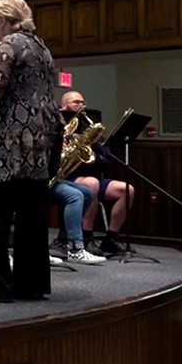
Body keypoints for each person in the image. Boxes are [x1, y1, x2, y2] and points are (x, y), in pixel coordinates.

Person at [0, 0, 63, 303]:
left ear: (3, 21)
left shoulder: (8, 46)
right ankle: (30, 285)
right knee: (32, 217)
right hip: (40, 143)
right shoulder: (42, 48)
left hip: (7, 142)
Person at [61, 90, 134, 255]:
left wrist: (95, 158)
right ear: (64, 105)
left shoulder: (89, 126)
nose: (81, 105)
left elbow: (106, 157)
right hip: (69, 177)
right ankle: (87, 238)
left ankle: (110, 239)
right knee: (91, 184)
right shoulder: (60, 124)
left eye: (83, 102)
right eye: (76, 102)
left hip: (92, 175)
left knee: (127, 190)